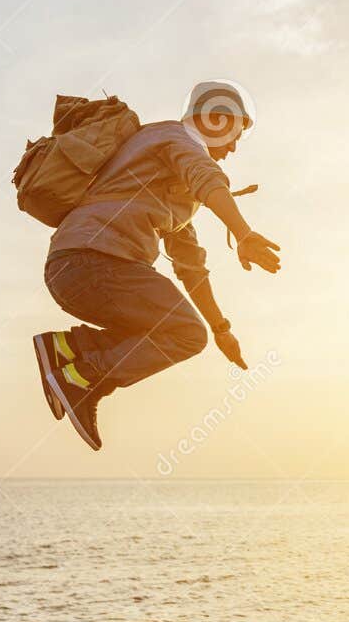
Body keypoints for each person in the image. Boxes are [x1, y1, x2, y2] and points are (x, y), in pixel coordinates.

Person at [31, 80, 281, 450]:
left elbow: (190, 266)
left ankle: (68, 349)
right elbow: (206, 178)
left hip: (73, 268)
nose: (231, 148)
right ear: (214, 120)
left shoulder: (165, 182)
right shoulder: (174, 138)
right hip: (96, 263)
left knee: (182, 331)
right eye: (233, 136)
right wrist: (243, 233)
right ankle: (82, 376)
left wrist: (220, 329)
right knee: (184, 334)